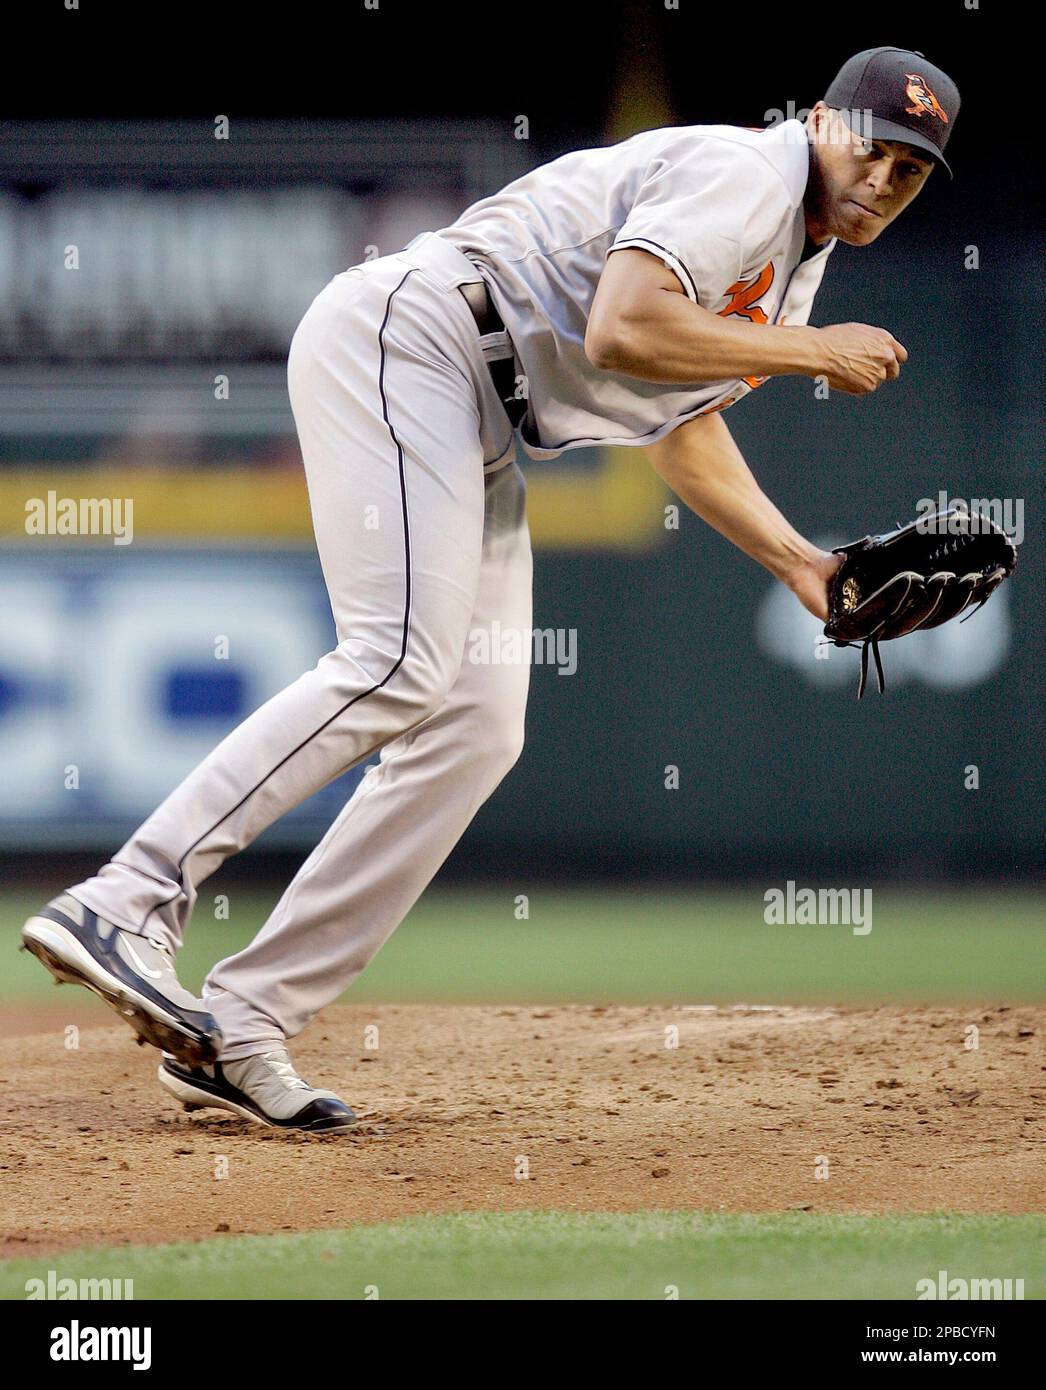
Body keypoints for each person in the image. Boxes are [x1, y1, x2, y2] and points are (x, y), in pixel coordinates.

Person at [22, 47, 959, 1131]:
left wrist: (801, 562)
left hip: (480, 411)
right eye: (873, 145)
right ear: (816, 120)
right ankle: (124, 900)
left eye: (912, 168)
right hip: (416, 338)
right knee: (396, 660)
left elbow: (673, 419)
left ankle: (243, 1021)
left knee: (473, 725)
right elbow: (619, 326)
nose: (885, 178)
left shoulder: (793, 257)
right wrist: (807, 351)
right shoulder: (749, 178)